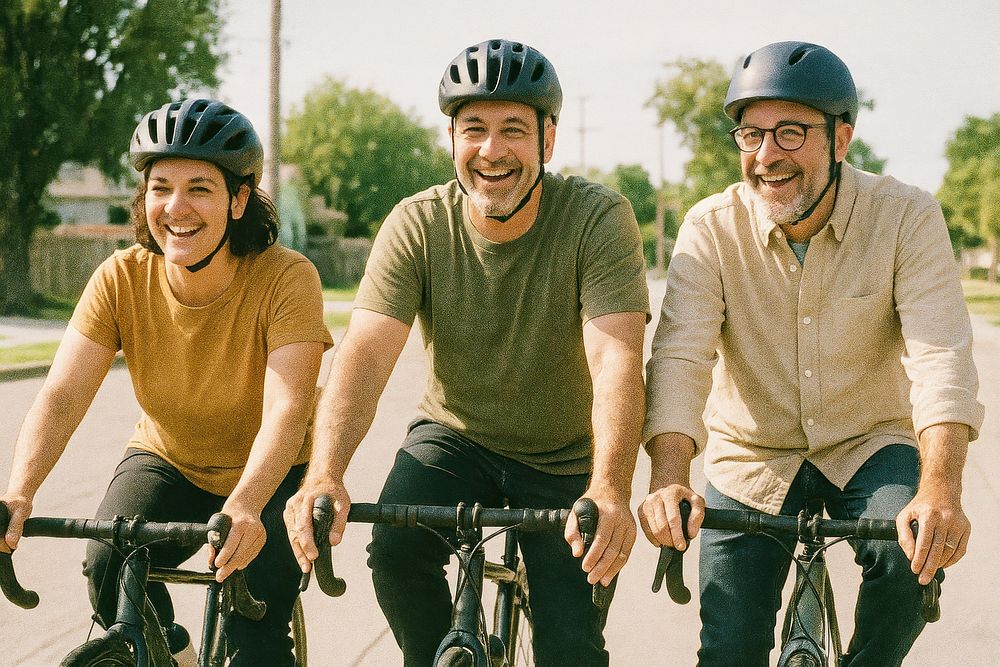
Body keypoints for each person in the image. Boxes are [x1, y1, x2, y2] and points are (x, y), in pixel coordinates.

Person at [284, 39, 649, 665]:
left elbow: (616, 358)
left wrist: (610, 487)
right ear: (451, 137)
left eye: (513, 129)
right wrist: (325, 472)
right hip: (454, 436)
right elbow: (364, 356)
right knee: (394, 553)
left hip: (564, 453)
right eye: (474, 128)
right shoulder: (417, 222)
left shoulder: (597, 217)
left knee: (572, 646)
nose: (492, 149)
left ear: (549, 140)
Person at [639, 41, 984, 666]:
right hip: (753, 452)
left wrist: (940, 489)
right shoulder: (710, 227)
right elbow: (681, 359)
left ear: (841, 139)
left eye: (791, 133)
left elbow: (940, 357)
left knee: (912, 557)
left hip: (869, 441)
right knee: (727, 651)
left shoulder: (905, 215)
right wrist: (669, 479)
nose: (767, 157)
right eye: (751, 135)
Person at [0, 98, 332, 665]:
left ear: (239, 200)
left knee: (255, 633)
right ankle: (168, 651)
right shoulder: (120, 277)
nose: (176, 207)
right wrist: (18, 493)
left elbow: (288, 408)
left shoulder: (287, 277)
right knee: (108, 564)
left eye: (200, 187)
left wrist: (248, 505)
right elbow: (60, 396)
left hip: (271, 475)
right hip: (169, 458)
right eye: (160, 187)